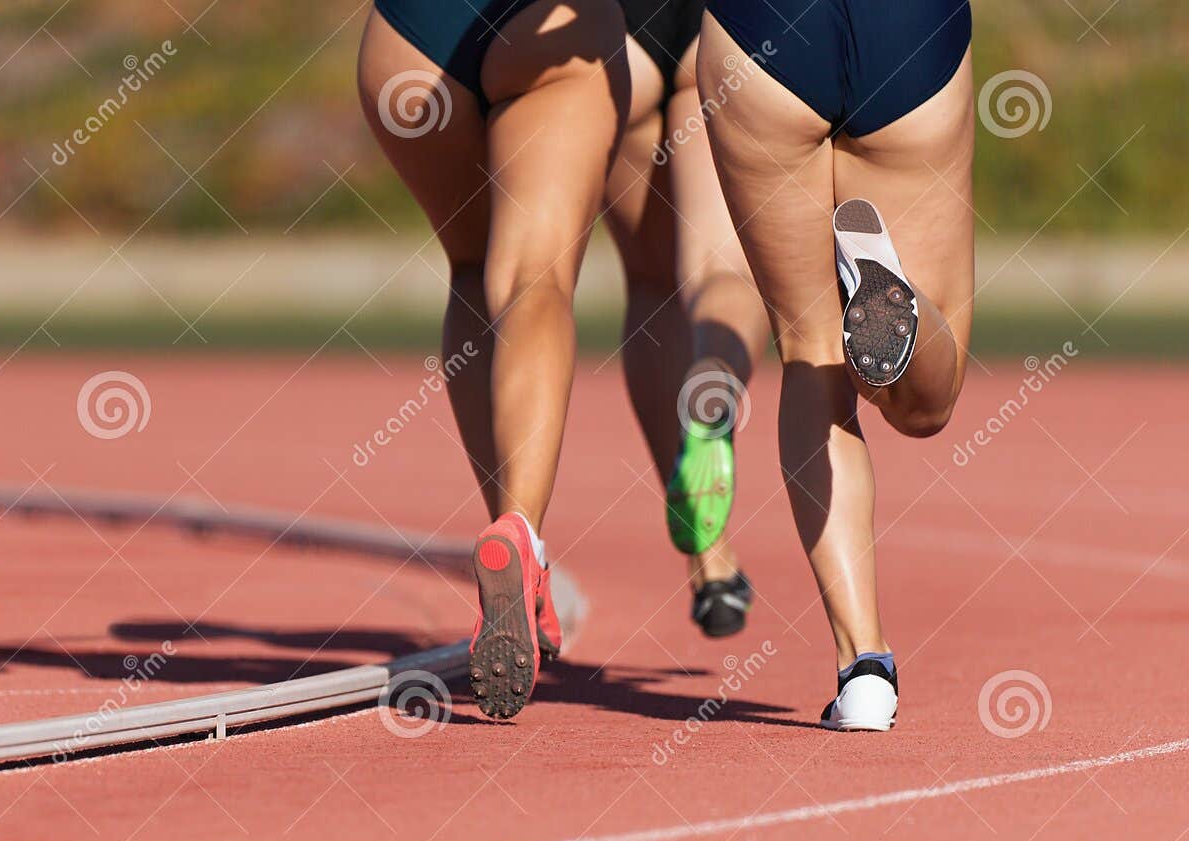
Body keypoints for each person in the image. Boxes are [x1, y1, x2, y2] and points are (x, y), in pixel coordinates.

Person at [696, 0, 975, 729]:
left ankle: (865, 672)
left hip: (765, 33)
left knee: (810, 351)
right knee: (925, 410)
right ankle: (896, 295)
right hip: (907, 28)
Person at [357, 1, 630, 719]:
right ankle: (520, 531)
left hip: (413, 38)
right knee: (533, 279)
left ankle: (514, 552)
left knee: (474, 269)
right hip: (552, 32)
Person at [601, 0, 772, 638]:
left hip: (619, 35)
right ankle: (712, 389)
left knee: (650, 285)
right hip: (721, 27)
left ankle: (711, 563)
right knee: (721, 270)